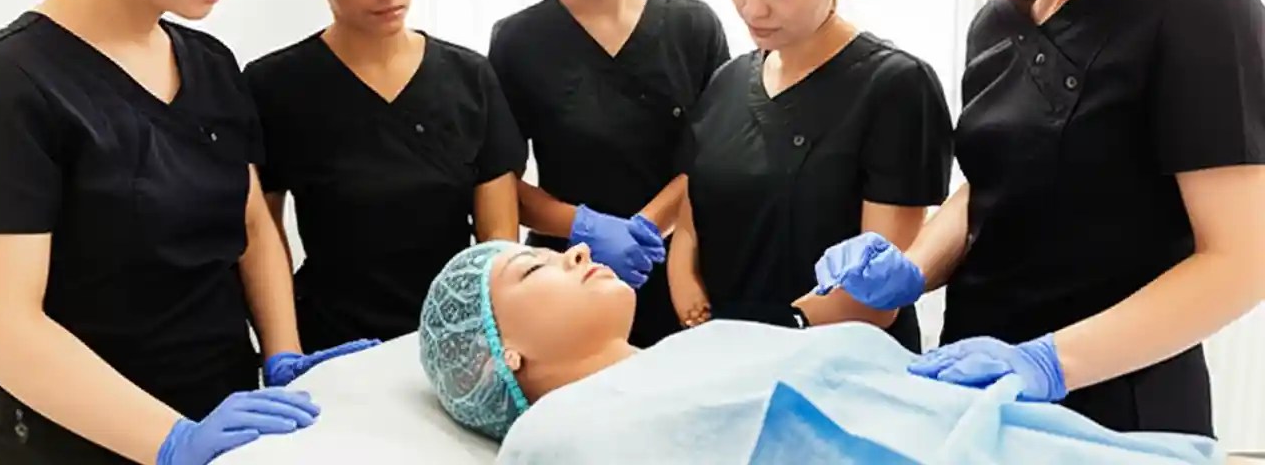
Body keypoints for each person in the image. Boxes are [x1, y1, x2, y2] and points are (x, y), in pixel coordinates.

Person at [812, 0, 1265, 438]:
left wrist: (1051, 361)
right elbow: (996, 184)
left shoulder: (1200, 14)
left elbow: (1241, 262)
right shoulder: (999, 18)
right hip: (981, 393)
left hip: (1119, 413)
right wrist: (910, 269)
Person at [0, 0, 372, 465]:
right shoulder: (11, 83)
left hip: (227, 424)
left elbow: (252, 223)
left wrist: (283, 358)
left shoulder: (211, 64)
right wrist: (169, 441)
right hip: (81, 442)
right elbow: (2, 326)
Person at [416, 241, 1226, 464]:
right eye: (537, 266)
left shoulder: (702, 344)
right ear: (499, 356)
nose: (577, 255)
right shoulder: (556, 437)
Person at [666, 0, 953, 351]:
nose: (753, 8)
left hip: (843, 371)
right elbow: (691, 224)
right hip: (720, 360)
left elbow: (878, 296)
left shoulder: (894, 88)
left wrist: (770, 336)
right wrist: (688, 297)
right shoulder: (728, 82)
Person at [243, 0, 526, 352]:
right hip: (333, 351)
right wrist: (281, 350)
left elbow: (497, 247)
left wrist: (489, 349)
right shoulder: (273, 87)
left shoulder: (469, 78)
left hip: (455, 347)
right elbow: (261, 239)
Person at [488, 0, 730, 347]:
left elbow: (719, 156)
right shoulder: (519, 42)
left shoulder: (693, 26)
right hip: (568, 284)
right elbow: (499, 185)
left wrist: (647, 224)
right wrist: (583, 225)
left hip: (685, 276)